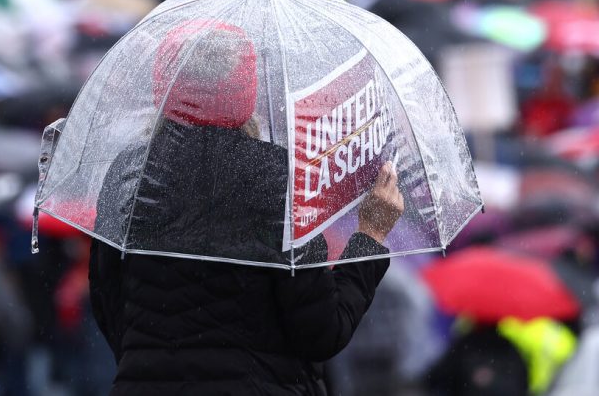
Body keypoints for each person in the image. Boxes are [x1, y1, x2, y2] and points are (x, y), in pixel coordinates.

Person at [89, 20, 404, 396]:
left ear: (165, 87)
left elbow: (109, 306)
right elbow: (321, 332)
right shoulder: (279, 180)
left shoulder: (130, 173)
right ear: (246, 94)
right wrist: (370, 236)